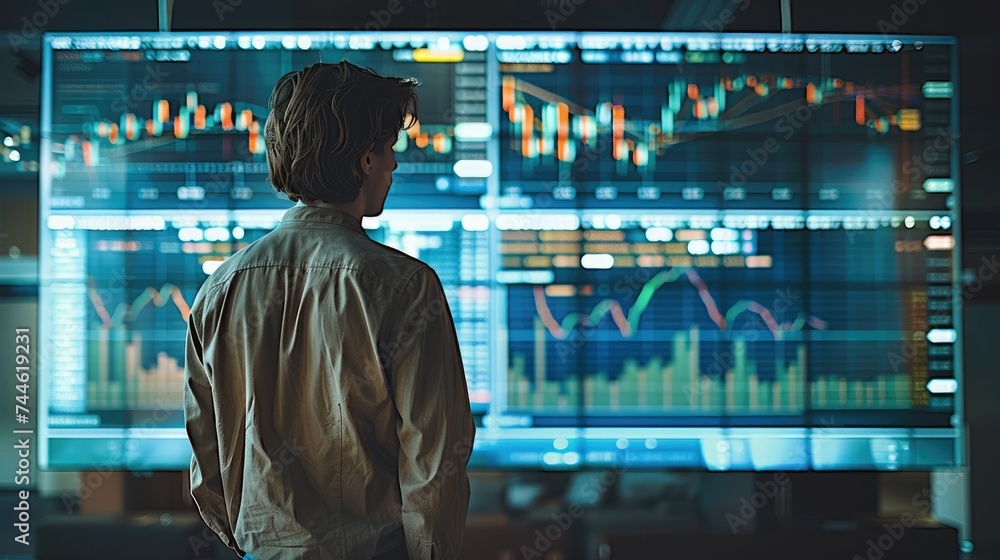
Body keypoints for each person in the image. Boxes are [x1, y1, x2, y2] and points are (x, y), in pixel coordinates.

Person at [183, 60, 476, 560]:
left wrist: (264, 545)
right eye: (389, 150)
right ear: (365, 159)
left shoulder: (219, 289)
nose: (394, 165)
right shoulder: (405, 287)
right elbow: (433, 470)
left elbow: (207, 466)